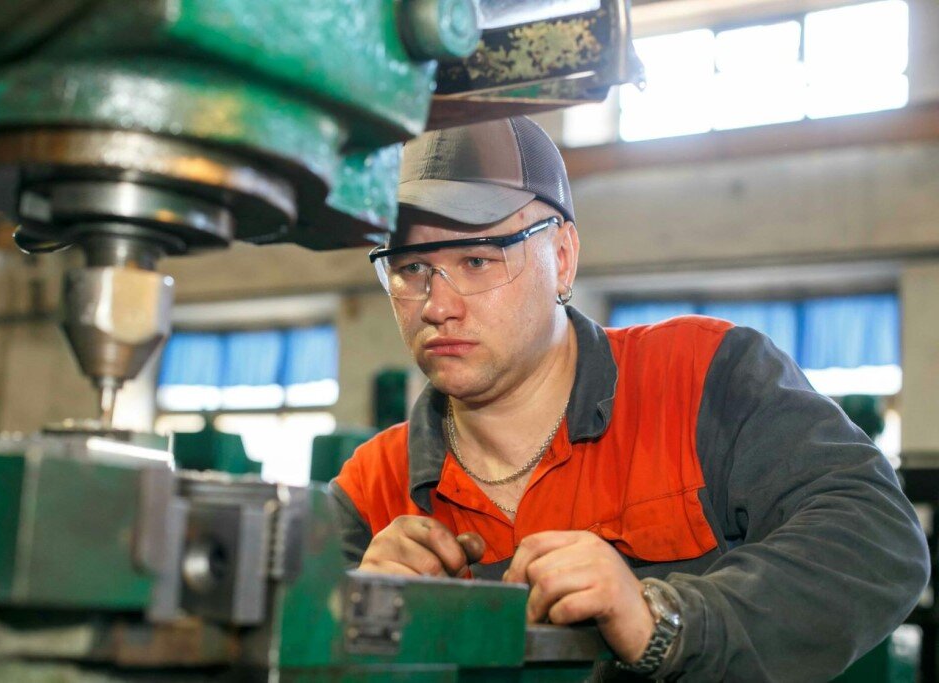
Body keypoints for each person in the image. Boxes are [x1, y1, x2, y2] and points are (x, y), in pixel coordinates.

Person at [328, 116, 929, 680]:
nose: (437, 306)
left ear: (562, 258)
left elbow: (877, 541)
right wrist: (349, 617)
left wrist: (663, 618)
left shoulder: (701, 379)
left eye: (478, 259)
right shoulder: (371, 487)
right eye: (410, 269)